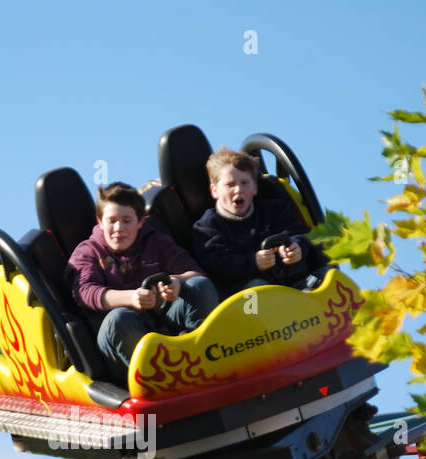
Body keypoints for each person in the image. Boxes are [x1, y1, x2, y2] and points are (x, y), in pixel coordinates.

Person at [66, 181, 219, 381]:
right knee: (119, 318)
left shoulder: (156, 241)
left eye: (127, 220)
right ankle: (160, 376)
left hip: (164, 324)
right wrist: (132, 298)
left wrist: (177, 281)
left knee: (199, 286)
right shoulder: (88, 252)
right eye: (111, 220)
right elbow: (85, 292)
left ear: (140, 222)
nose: (118, 228)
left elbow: (196, 273)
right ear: (100, 222)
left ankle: (201, 358)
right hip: (121, 338)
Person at [191, 148, 324, 298]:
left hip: (296, 286)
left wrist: (296, 247)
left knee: (326, 275)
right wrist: (253, 262)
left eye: (245, 183)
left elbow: (298, 233)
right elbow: (217, 265)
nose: (238, 190)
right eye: (230, 184)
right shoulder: (207, 227)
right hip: (249, 300)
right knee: (257, 287)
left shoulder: (275, 210)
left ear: (254, 187)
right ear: (214, 191)